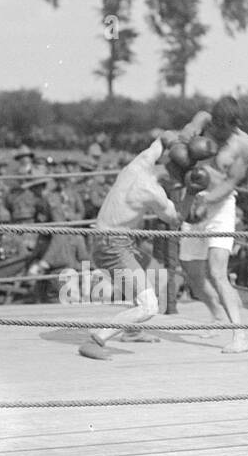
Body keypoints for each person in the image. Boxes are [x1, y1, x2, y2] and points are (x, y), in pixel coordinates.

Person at [78, 118, 205, 361]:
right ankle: (96, 339)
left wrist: (180, 141)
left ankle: (132, 331)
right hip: (112, 246)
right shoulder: (153, 192)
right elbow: (177, 219)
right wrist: (191, 192)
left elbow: (165, 135)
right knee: (149, 307)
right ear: (176, 180)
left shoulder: (141, 162)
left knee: (157, 272)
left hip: (113, 240)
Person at [179, 96, 248, 355]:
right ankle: (216, 316)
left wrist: (207, 200)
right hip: (193, 202)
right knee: (191, 270)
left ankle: (240, 336)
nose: (219, 131)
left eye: (224, 127)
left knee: (217, 272)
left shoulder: (244, 145)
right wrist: (188, 134)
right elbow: (186, 135)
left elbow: (230, 182)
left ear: (234, 124)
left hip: (220, 207)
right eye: (216, 125)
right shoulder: (204, 120)